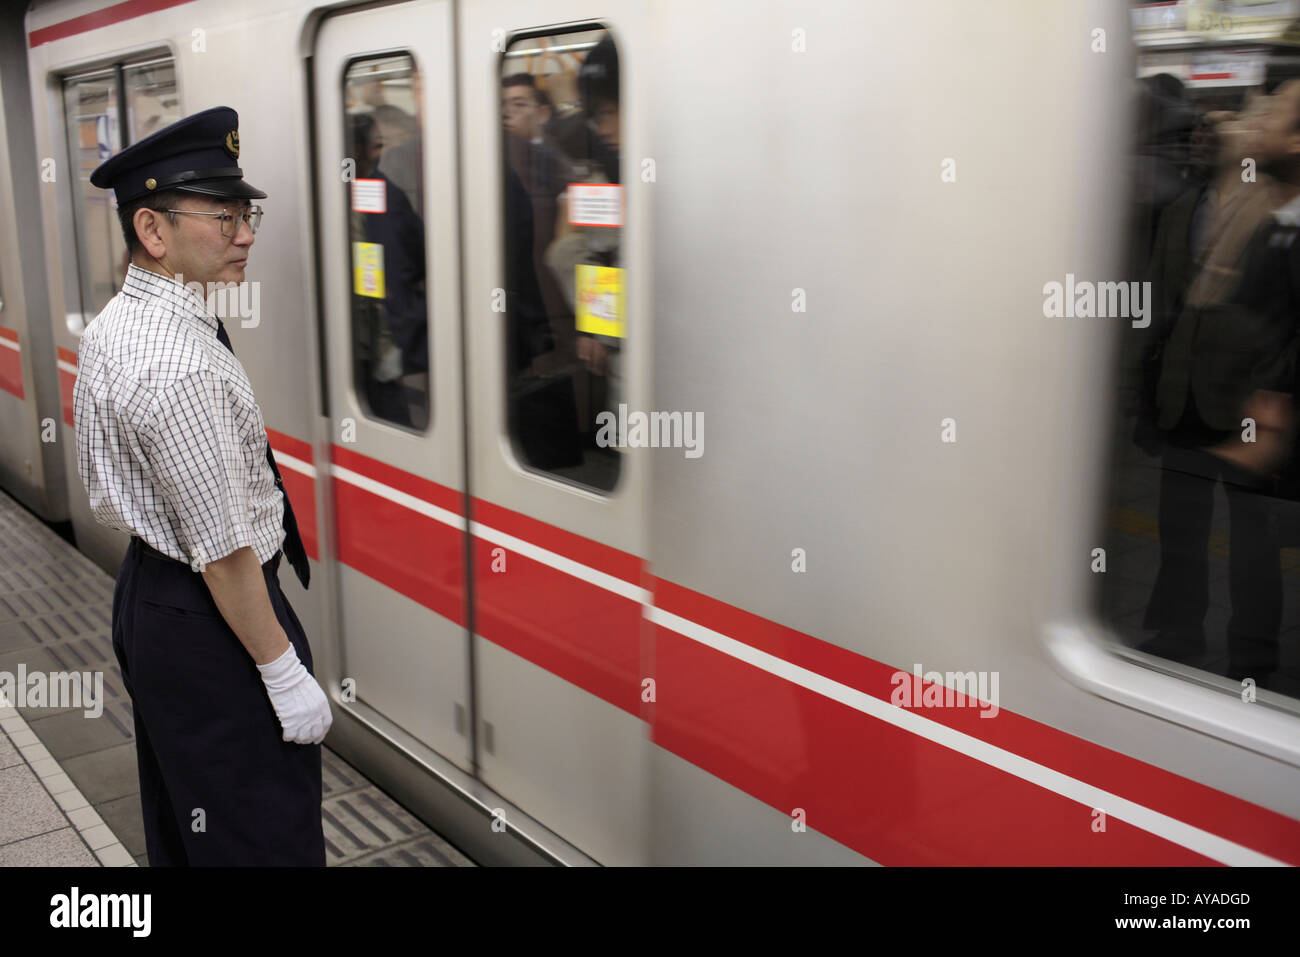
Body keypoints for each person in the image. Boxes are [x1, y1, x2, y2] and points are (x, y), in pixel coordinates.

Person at [73, 106, 331, 865]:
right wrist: (282, 670)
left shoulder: (120, 322)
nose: (245, 232)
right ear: (154, 231)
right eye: (222, 215)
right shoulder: (178, 365)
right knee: (263, 836)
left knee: (189, 822)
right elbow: (223, 555)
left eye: (244, 212)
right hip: (213, 616)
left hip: (154, 599)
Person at [1135, 80, 1300, 689]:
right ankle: (1175, 631)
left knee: (1252, 541)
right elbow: (1156, 304)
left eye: (1227, 120)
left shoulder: (1277, 209)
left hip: (1244, 403)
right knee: (1179, 528)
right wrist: (1141, 395)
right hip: (1181, 392)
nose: (1214, 128)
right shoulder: (1184, 207)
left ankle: (1252, 658)